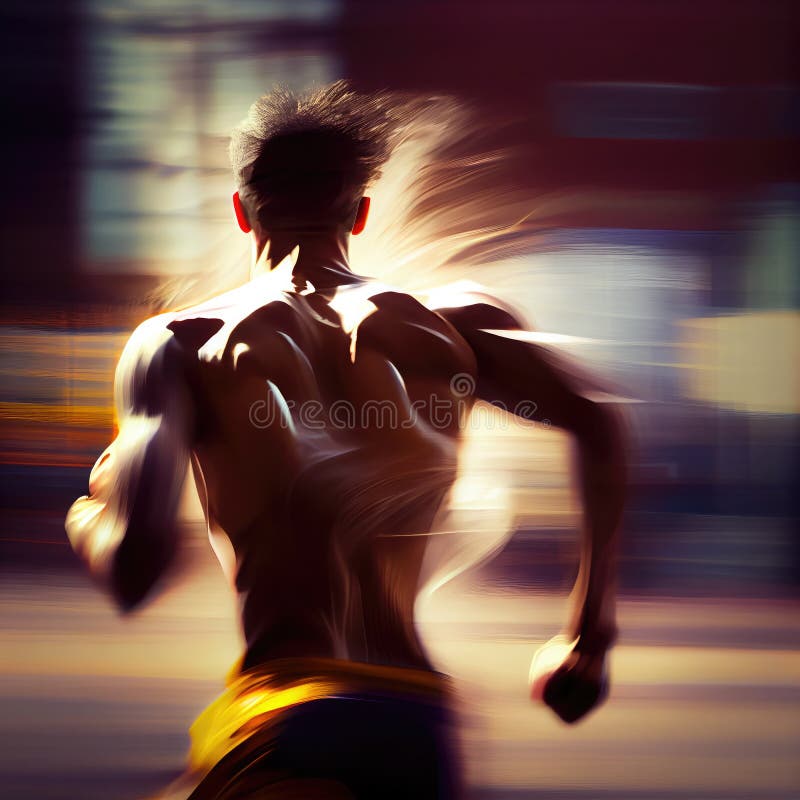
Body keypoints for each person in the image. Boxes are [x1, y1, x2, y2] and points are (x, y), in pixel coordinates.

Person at [66, 81, 626, 799]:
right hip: (415, 721)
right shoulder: (455, 324)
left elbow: (136, 567)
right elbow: (597, 417)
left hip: (288, 711)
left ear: (242, 210)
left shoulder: (180, 342)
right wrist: (587, 636)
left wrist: (90, 514)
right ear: (359, 212)